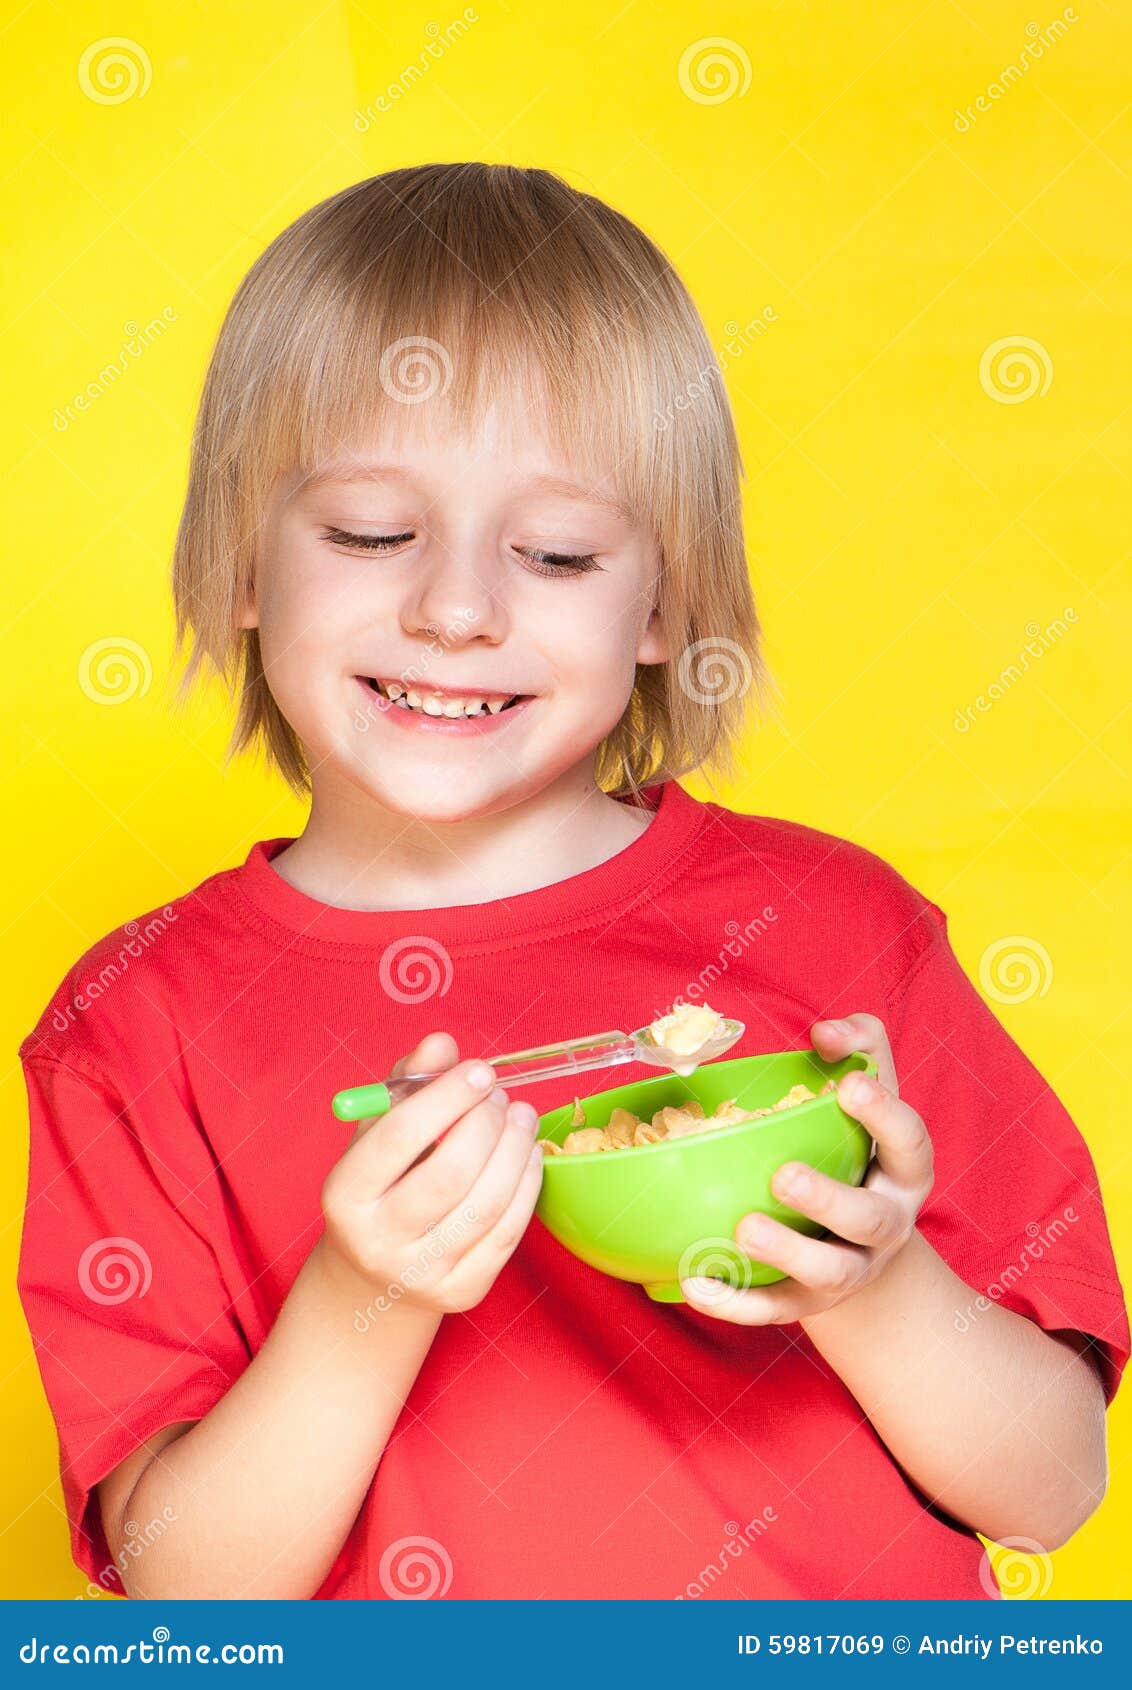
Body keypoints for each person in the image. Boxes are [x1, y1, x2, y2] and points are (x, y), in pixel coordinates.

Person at [17, 163, 1127, 1601]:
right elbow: (187, 1595)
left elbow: (1054, 1488)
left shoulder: (837, 932)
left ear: (661, 601)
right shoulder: (133, 1025)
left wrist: (873, 1282)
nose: (458, 608)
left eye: (553, 552)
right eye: (368, 531)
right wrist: (370, 1298)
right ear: (242, 559)